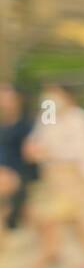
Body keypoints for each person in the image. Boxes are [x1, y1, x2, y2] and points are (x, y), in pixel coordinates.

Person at [14, 82, 84, 268]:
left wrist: (48, 153)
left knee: (51, 221)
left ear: (68, 96)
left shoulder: (79, 119)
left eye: (55, 95)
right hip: (53, 178)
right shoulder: (48, 117)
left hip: (74, 178)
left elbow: (80, 151)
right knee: (76, 222)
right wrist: (33, 149)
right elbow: (35, 140)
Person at [0, 83, 38, 241]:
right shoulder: (4, 125)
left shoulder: (27, 125)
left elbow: (31, 154)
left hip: (20, 173)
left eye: (6, 96)